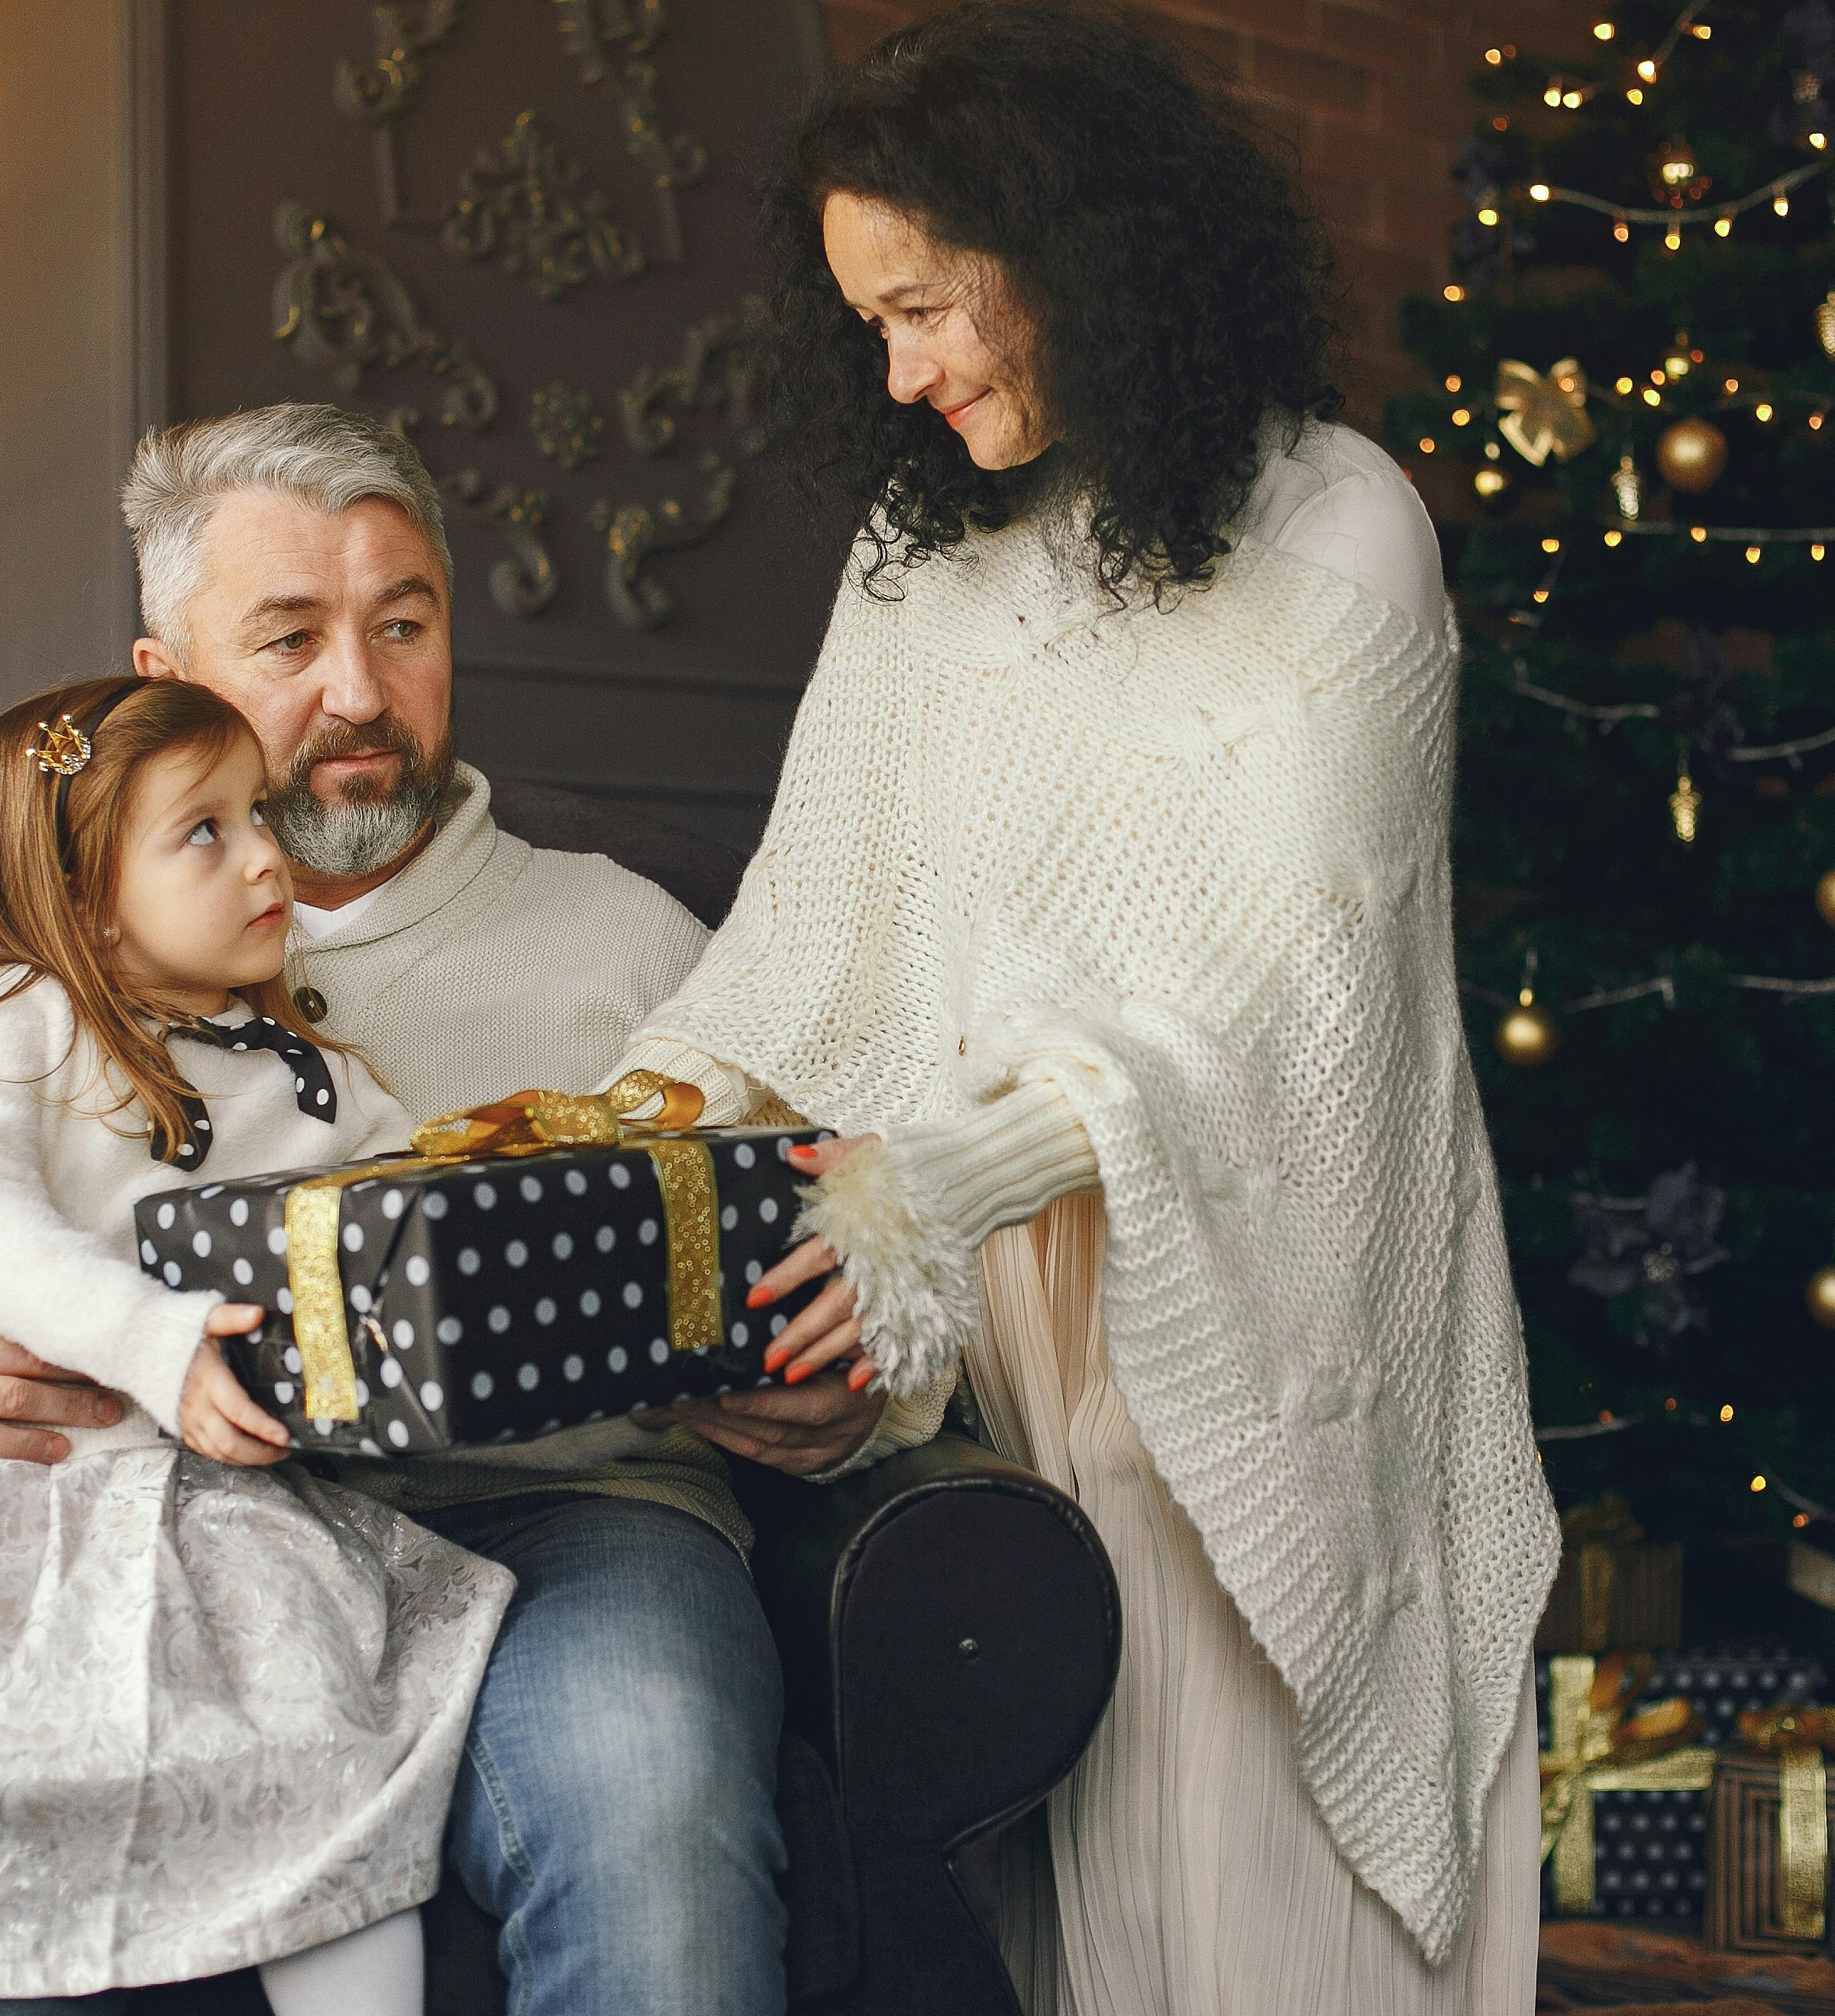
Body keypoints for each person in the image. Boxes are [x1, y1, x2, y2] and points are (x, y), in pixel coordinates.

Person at [0, 404, 940, 2015]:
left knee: (648, 1797)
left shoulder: (635, 939)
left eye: (403, 626)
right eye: (289, 638)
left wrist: (862, 1382)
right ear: (161, 679)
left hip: (575, 1525)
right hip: (179, 1526)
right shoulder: (38, 962)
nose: (359, 692)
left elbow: (859, 1251)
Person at [606, 7, 1561, 2012]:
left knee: (1258, 1922)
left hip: (1250, 1332)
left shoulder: (1338, 527)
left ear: (1077, 246)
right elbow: (808, 926)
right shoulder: (916, 554)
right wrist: (625, 1137)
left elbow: (1300, 997)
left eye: (931, 307)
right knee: (1075, 1941)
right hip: (989, 1370)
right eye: (869, 324)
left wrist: (920, 1187)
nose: (903, 373)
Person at [0, 677, 510, 2014]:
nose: (267, 854)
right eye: (206, 831)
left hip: (231, 1514)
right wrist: (149, 1335)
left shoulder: (317, 1073)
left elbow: (412, 1237)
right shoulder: (8, 1018)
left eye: (260, 814)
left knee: (327, 1795)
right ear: (84, 894)